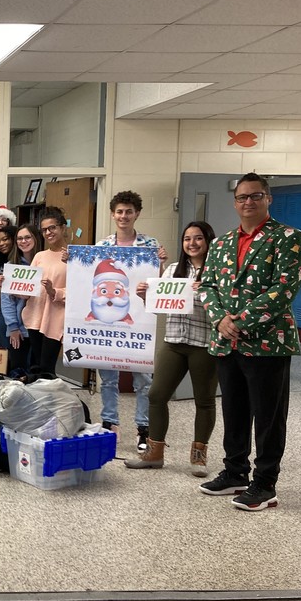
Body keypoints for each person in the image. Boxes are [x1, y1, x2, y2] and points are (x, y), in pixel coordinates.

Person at [197, 173, 301, 512]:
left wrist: (239, 321)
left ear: (268, 199)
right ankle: (235, 472)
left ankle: (264, 484)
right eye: (243, 197)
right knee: (234, 411)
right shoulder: (221, 243)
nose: (248, 202)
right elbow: (207, 286)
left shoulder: (290, 238)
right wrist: (220, 319)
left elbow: (284, 289)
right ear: (235, 202)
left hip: (267, 344)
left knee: (268, 416)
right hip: (226, 342)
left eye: (255, 196)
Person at [127, 221, 218, 475]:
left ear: (208, 241)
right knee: (156, 394)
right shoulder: (173, 271)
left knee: (204, 401)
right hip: (174, 341)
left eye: (198, 238)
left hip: (204, 343)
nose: (192, 243)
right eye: (187, 239)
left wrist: (204, 294)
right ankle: (154, 453)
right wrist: (147, 296)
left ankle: (198, 456)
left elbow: (225, 307)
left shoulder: (217, 271)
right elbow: (159, 307)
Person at [94, 191, 167, 453]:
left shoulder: (150, 245)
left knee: (144, 379)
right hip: (109, 322)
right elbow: (86, 276)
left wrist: (161, 264)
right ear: (113, 215)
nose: (124, 216)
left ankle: (143, 429)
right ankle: (110, 423)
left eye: (129, 211)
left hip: (139, 321)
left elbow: (157, 284)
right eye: (119, 212)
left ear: (137, 214)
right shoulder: (101, 247)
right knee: (109, 378)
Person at [21, 208, 69, 375]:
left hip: (55, 318)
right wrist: (10, 285)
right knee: (36, 367)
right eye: (44, 230)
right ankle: (38, 400)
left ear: (63, 228)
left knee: (47, 369)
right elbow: (27, 288)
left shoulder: (73, 256)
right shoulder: (40, 256)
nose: (48, 232)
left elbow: (79, 291)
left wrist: (53, 291)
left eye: (52, 228)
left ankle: (50, 400)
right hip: (35, 316)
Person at [0, 224, 42, 375]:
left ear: (36, 238)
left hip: (41, 326)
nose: (23, 241)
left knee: (38, 372)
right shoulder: (11, 266)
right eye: (20, 238)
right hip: (19, 328)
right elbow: (7, 301)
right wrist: (13, 327)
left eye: (27, 237)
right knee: (18, 370)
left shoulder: (45, 263)